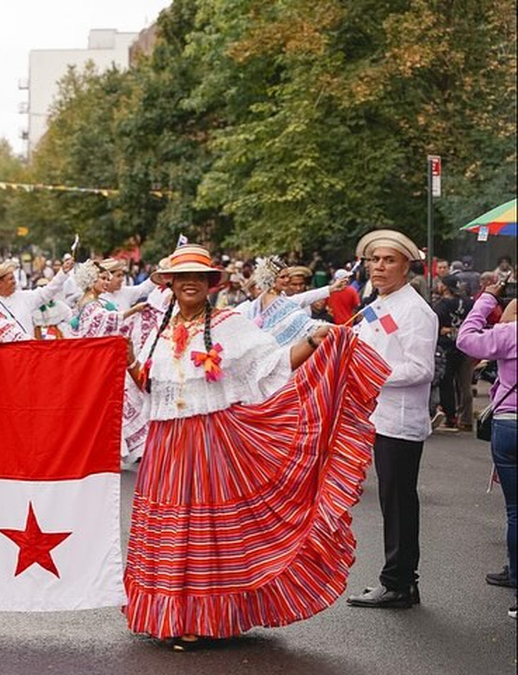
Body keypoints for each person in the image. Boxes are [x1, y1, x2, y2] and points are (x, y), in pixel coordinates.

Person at [124, 245, 387, 648]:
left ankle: (203, 616)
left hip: (211, 441)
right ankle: (167, 612)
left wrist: (315, 343)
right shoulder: (161, 328)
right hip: (164, 445)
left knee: (204, 529)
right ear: (170, 284)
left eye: (199, 277)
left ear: (212, 284)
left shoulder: (229, 324)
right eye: (182, 277)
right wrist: (126, 359)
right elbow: (148, 385)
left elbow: (272, 365)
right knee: (168, 525)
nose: (190, 283)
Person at [347, 230, 438, 610]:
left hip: (399, 421)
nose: (379, 267)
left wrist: (367, 372)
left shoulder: (415, 310)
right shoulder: (380, 303)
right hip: (377, 418)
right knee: (392, 500)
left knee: (398, 502)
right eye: (374, 260)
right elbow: (358, 339)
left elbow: (420, 368)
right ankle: (399, 580)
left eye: (388, 261)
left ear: (406, 266)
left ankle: (399, 583)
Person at [456, 276, 518, 619]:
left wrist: (486, 299)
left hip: (509, 425)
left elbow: (466, 340)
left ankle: (515, 575)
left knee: (515, 512)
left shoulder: (509, 334)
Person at [0, 257, 73, 338]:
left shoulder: (25, 297)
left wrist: (62, 273)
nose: (14, 281)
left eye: (14, 278)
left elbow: (47, 292)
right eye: (10, 279)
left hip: (28, 348)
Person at [433, 276, 473, 431]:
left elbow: (435, 327)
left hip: (446, 349)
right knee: (465, 385)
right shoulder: (469, 303)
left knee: (446, 383)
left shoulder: (441, 306)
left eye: (440, 283)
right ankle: (467, 419)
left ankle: (451, 417)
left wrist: (446, 330)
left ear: (445, 287)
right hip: (466, 347)